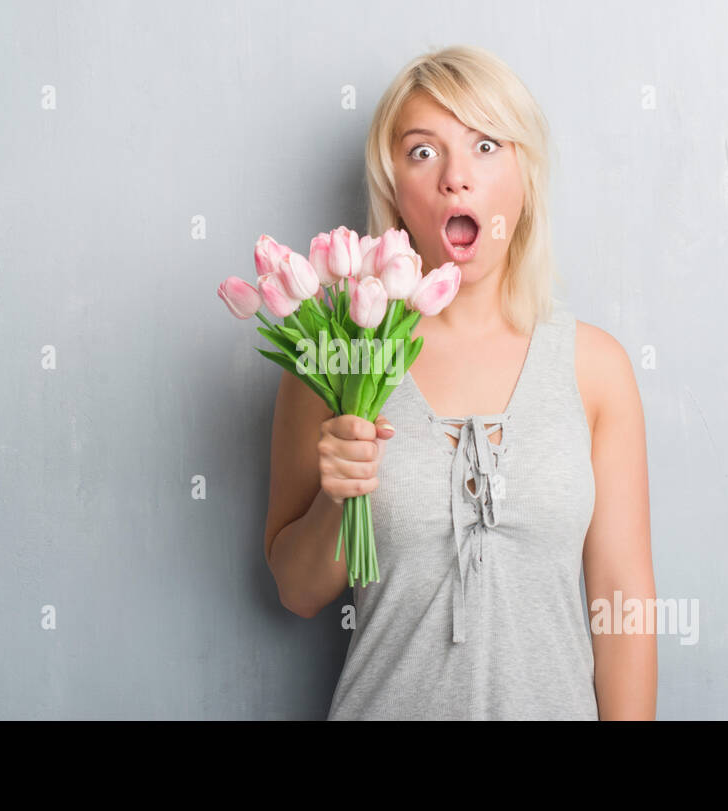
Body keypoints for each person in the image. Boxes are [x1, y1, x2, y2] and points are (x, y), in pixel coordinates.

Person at [263, 45, 656, 720]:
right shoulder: (335, 364)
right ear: (394, 192)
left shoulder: (596, 368)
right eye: (423, 151)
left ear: (524, 176)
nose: (455, 177)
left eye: (484, 144)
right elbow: (297, 592)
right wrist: (338, 496)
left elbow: (623, 595)